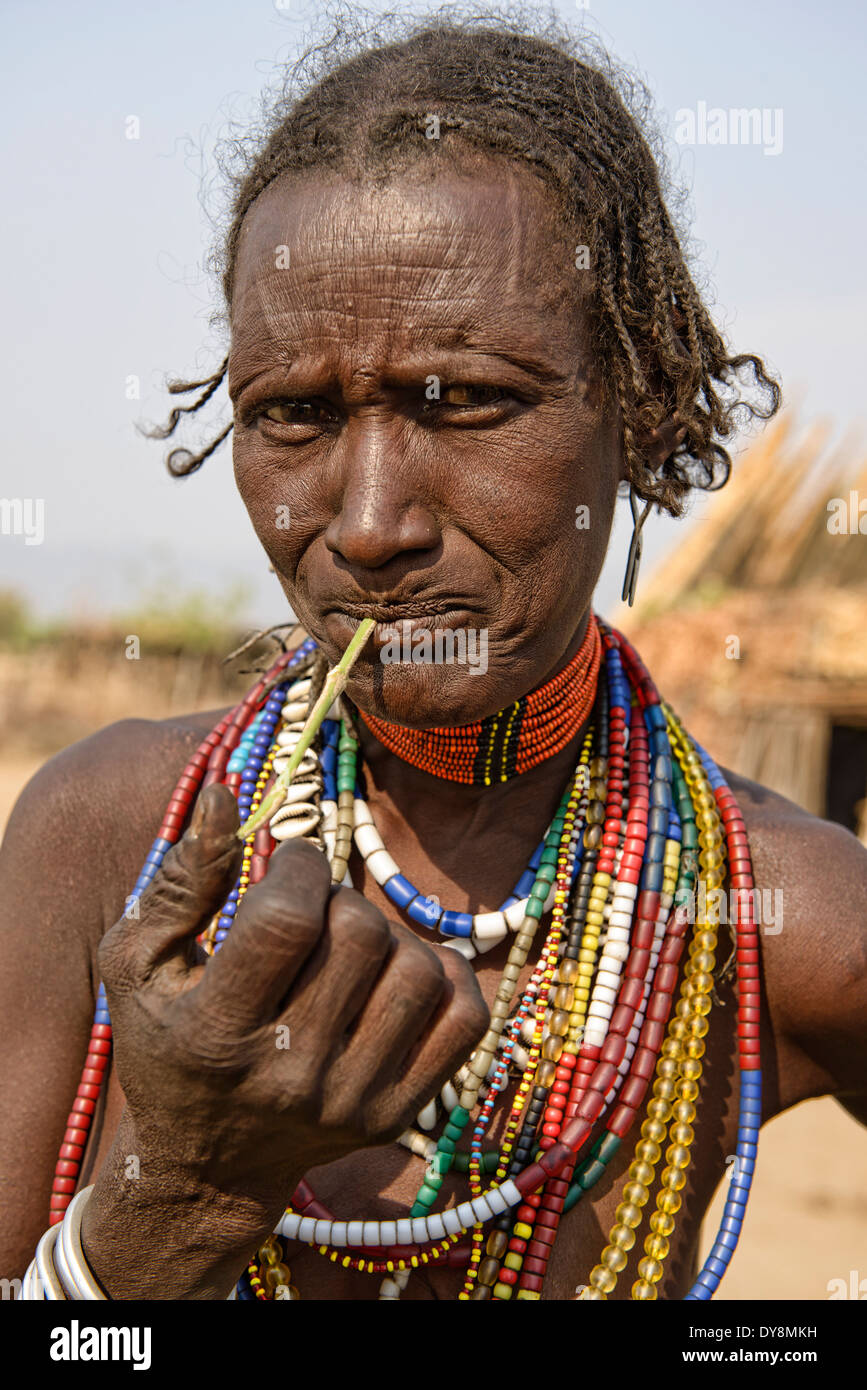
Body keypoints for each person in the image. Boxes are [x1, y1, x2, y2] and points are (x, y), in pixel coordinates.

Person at [3, 11, 866, 1303]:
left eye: (463, 400)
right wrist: (170, 1206)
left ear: (636, 408)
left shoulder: (783, 921)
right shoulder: (103, 835)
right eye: (291, 413)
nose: (366, 526)